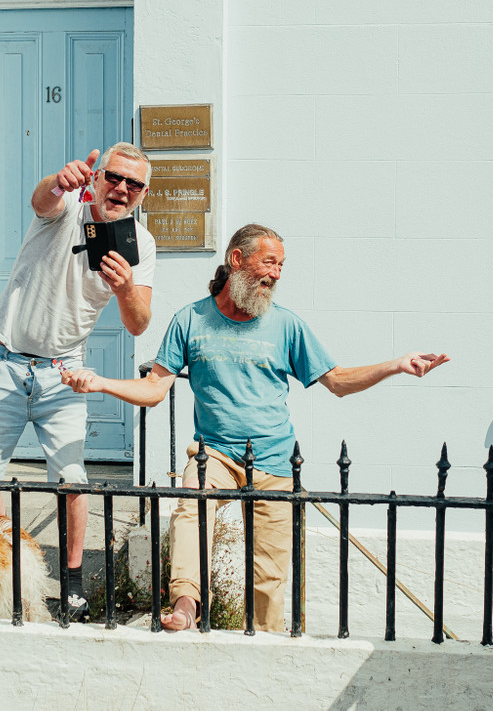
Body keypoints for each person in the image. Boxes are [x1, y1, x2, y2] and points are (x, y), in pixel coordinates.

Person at [62, 223, 449, 631]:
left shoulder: (286, 325)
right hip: (216, 453)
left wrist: (397, 365)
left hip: (276, 462)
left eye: (282, 265)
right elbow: (156, 387)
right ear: (236, 260)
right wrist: (101, 382)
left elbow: (337, 381)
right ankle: (186, 607)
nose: (277, 274)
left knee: (269, 577)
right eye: (270, 262)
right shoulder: (191, 320)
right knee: (190, 506)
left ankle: (264, 642)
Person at [0, 142, 157, 617]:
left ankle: (70, 583)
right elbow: (40, 201)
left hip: (63, 372)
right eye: (114, 177)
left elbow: (138, 323)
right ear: (98, 177)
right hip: (4, 362)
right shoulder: (68, 205)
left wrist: (127, 288)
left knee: (72, 480)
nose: (121, 189)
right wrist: (59, 180)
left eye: (133, 184)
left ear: (143, 193)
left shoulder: (140, 243)